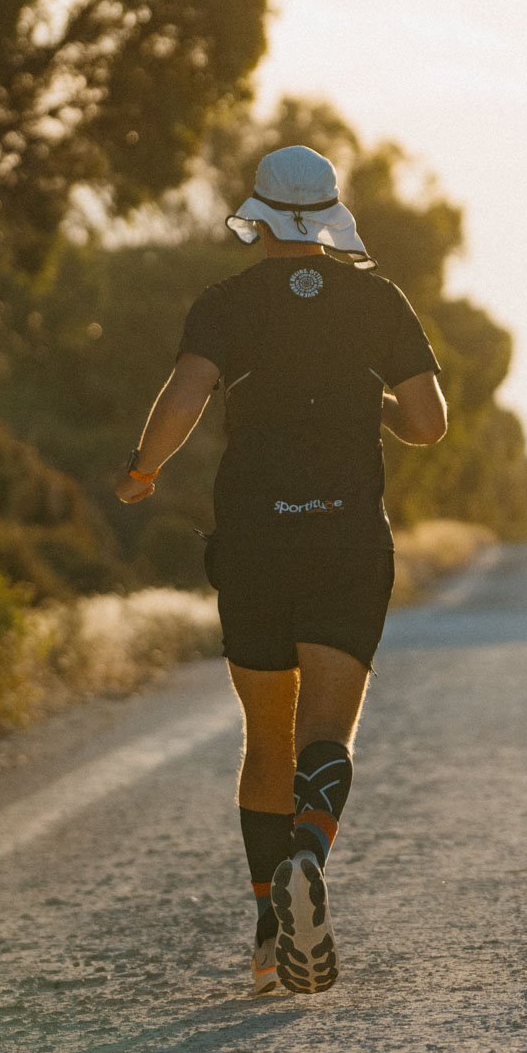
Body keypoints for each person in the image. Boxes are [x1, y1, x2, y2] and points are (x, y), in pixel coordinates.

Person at [115, 144, 447, 996]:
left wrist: (144, 468)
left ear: (258, 215)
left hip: (255, 537)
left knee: (265, 739)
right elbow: (429, 421)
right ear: (332, 218)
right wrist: (360, 399)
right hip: (346, 539)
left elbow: (185, 395)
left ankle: (270, 936)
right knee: (324, 735)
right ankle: (310, 852)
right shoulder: (378, 299)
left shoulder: (226, 303)